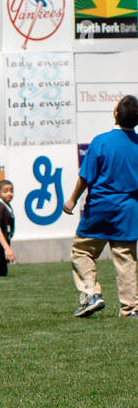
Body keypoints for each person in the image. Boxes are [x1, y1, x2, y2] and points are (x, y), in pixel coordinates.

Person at [63, 94, 138, 318]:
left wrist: (72, 199)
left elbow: (85, 177)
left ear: (115, 114)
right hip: (127, 211)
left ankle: (91, 294)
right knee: (126, 259)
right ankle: (131, 308)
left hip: (100, 208)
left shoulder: (101, 141)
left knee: (82, 250)